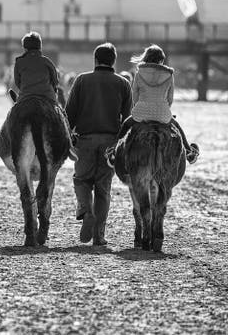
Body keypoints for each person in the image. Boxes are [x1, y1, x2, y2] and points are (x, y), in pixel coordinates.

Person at [65, 43, 132, 246]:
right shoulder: (123, 83)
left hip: (85, 140)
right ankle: (99, 236)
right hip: (110, 142)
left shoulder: (82, 80)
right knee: (103, 189)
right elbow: (128, 118)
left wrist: (69, 137)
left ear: (95, 60)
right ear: (114, 61)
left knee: (81, 180)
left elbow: (69, 114)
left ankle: (86, 211)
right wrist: (121, 144)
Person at [109, 44, 199, 164]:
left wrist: (139, 107)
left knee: (125, 125)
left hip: (141, 113)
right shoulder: (169, 74)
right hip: (162, 114)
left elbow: (135, 95)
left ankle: (113, 152)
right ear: (161, 60)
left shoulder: (139, 72)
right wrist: (164, 109)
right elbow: (170, 98)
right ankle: (189, 153)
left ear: (146, 58)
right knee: (177, 127)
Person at [11, 31, 76, 160]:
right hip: (48, 98)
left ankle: (6, 146)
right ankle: (69, 147)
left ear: (24, 47)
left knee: (11, 118)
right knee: (62, 117)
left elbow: (17, 83)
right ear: (40, 47)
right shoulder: (47, 62)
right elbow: (55, 82)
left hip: (25, 98)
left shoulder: (19, 62)